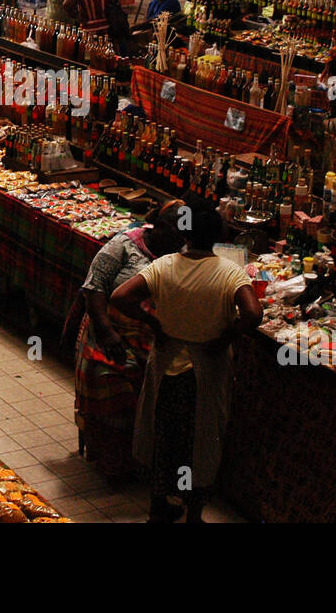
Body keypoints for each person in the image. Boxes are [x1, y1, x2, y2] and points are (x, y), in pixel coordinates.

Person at [110, 196, 261, 523]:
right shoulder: (229, 274)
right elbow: (253, 313)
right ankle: (194, 515)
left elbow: (120, 297)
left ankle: (157, 508)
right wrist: (227, 336)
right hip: (206, 373)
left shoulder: (163, 266)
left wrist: (153, 324)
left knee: (162, 438)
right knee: (201, 442)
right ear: (217, 235)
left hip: (167, 369)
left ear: (184, 233)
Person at [69, 202, 185, 478]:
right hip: (107, 330)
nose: (179, 239)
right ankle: (111, 456)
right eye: (174, 231)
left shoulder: (180, 255)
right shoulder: (123, 245)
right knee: (110, 375)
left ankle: (143, 454)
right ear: (157, 226)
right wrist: (107, 332)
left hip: (153, 335)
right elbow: (94, 287)